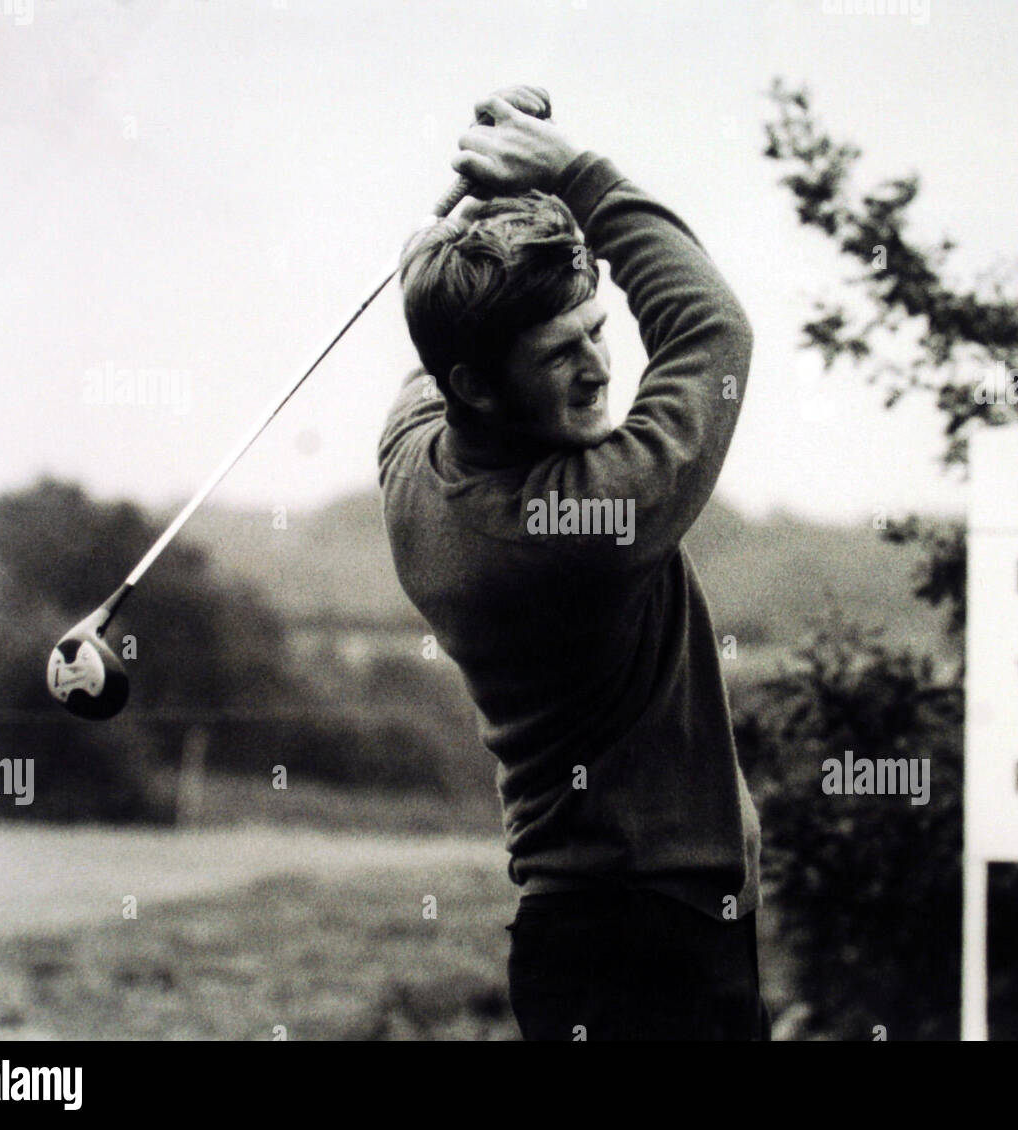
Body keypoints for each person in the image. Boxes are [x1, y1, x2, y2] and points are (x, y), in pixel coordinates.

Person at [378, 90, 767, 1040]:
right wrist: (572, 174)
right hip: (649, 955)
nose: (600, 369)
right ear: (476, 383)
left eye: (599, 329)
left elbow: (432, 355)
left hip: (587, 941)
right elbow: (715, 333)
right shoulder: (586, 520)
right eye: (563, 353)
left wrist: (473, 220)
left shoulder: (414, 466)